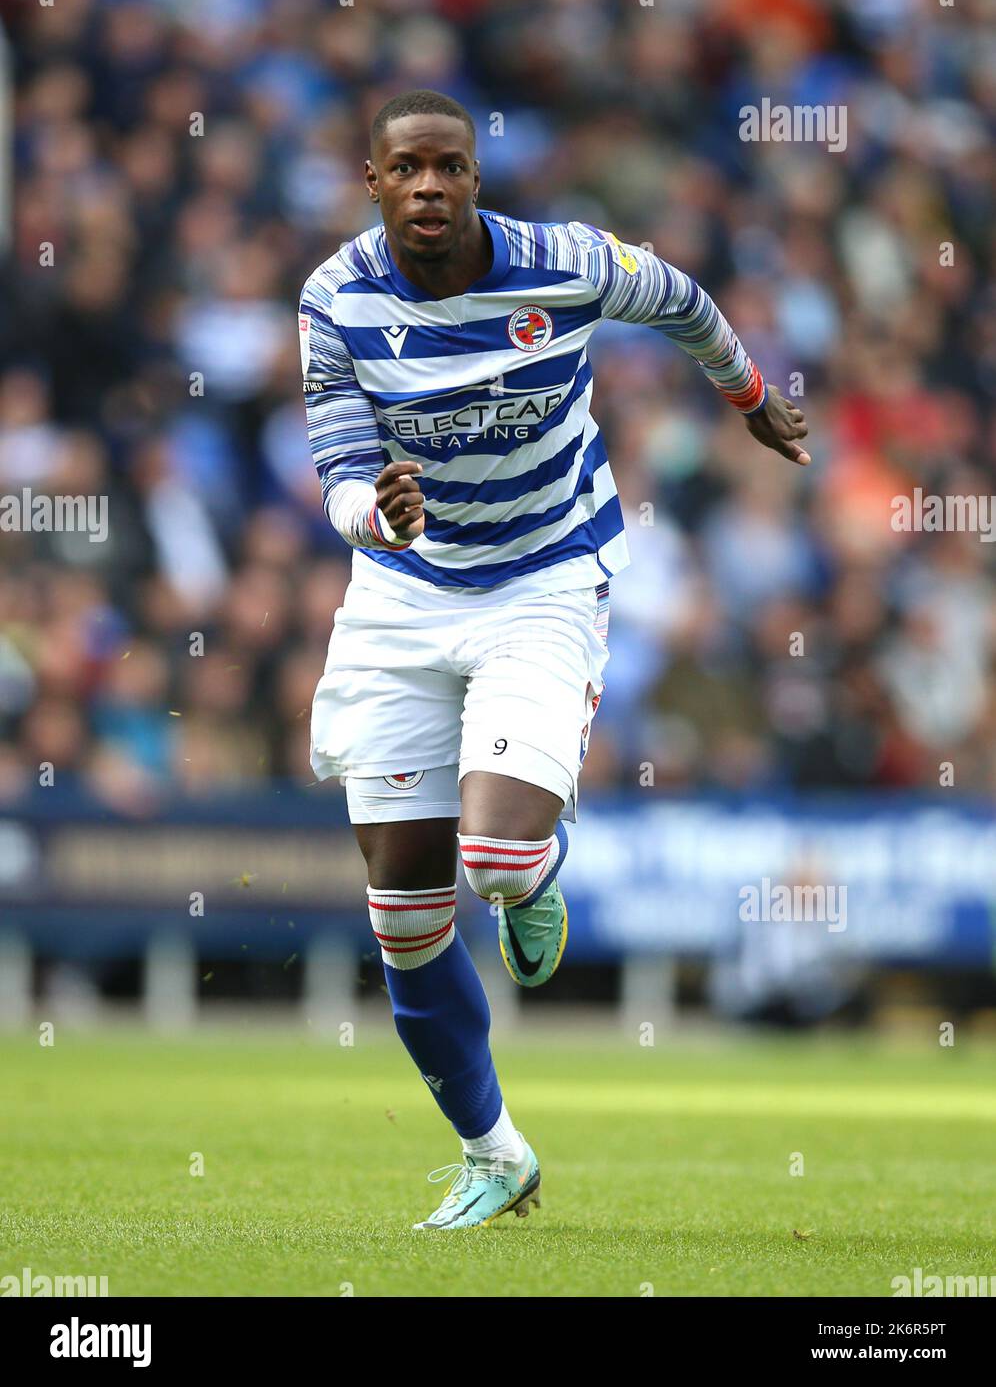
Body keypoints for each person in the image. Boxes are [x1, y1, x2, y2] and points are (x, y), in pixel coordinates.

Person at [299, 88, 810, 1230]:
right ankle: (495, 1153)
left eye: (450, 166)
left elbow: (681, 299)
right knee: (405, 916)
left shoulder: (564, 264)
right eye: (406, 170)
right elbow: (335, 463)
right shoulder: (334, 297)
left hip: (542, 578)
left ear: (477, 178)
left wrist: (751, 397)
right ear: (373, 183)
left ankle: (532, 878)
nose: (429, 185)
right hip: (400, 595)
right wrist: (376, 514)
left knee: (491, 852)